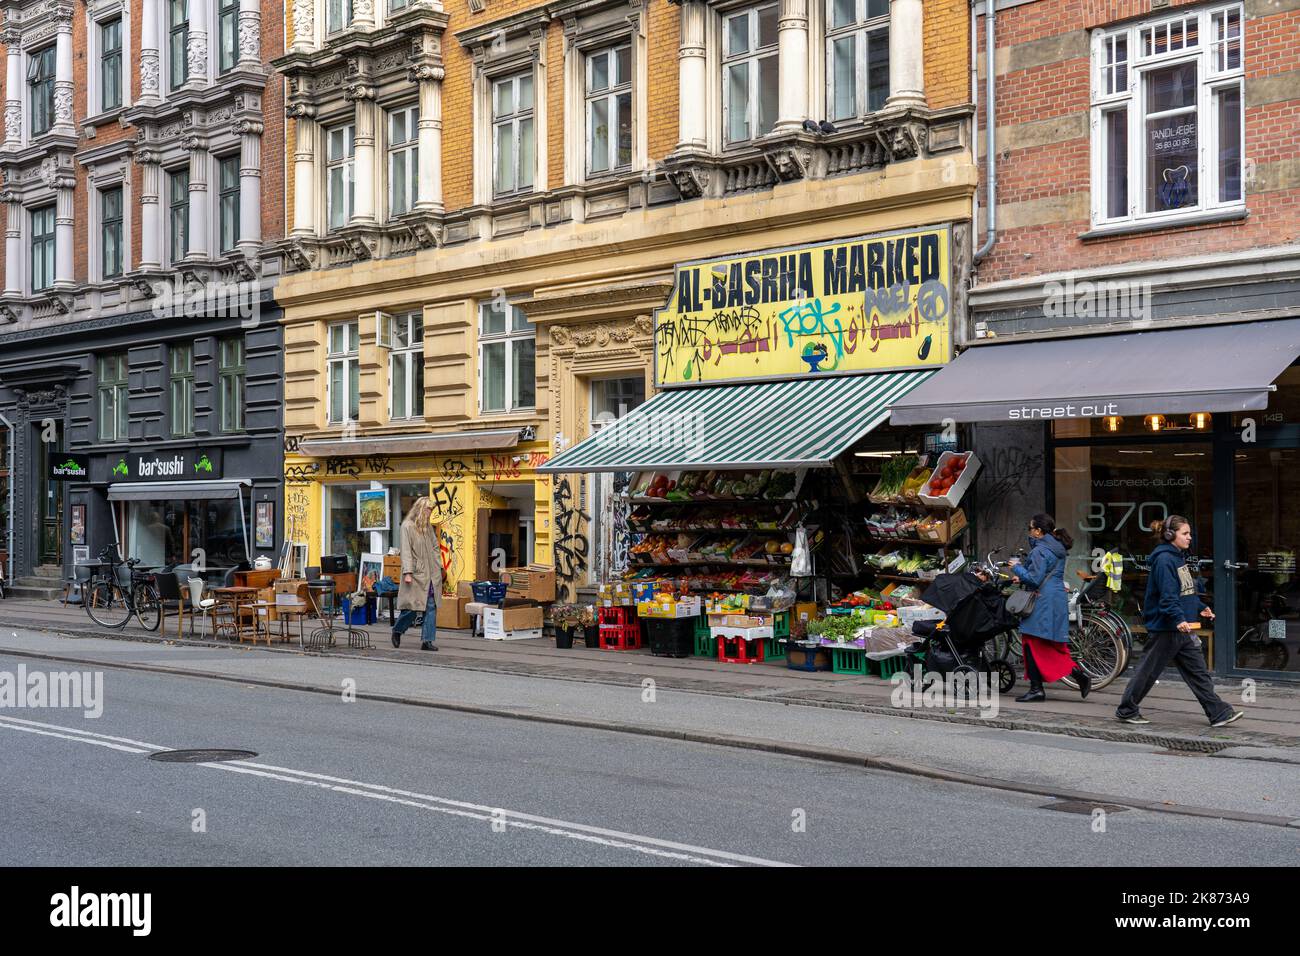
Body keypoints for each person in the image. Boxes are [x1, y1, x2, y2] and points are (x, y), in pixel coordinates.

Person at [1116, 517, 1243, 727]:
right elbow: (1167, 597)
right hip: (1168, 627)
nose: (1189, 538)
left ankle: (1218, 712)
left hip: (1182, 626)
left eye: (1189, 533)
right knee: (1148, 671)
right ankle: (1127, 709)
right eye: (1185, 533)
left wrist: (1200, 608)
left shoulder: (1177, 557)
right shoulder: (1165, 560)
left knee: (1198, 672)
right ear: (1170, 535)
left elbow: (1185, 591)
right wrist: (1178, 618)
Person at [1008, 513, 1092, 702]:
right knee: (1048, 644)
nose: (1029, 532)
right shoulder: (1057, 547)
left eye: (1030, 528)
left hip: (1041, 600)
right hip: (1054, 597)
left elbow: (1035, 579)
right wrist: (1022, 576)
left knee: (1032, 643)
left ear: (1038, 531)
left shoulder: (1039, 550)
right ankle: (1040, 687)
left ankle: (1042, 687)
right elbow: (1045, 573)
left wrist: (1017, 568)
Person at [392, 496, 444, 651]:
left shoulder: (427, 527)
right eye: (429, 509)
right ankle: (397, 630)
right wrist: (407, 572)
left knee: (431, 606)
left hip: (432, 573)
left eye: (431, 509)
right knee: (412, 609)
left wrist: (439, 566)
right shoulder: (407, 526)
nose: (430, 512)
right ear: (421, 508)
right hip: (416, 573)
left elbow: (435, 547)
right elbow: (406, 551)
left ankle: (427, 641)